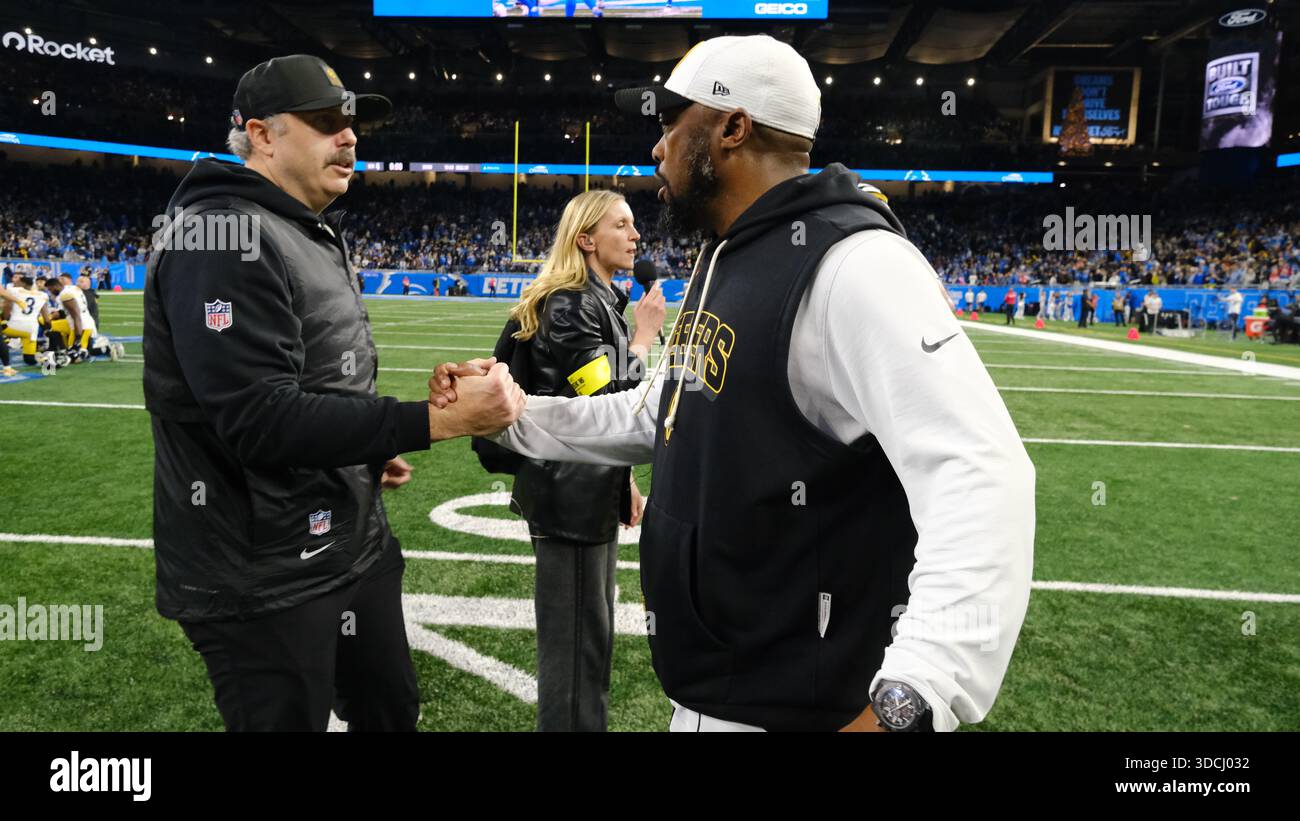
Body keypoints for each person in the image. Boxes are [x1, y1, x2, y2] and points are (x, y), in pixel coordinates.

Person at [477, 34, 1034, 733]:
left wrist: (913, 702)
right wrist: (513, 413)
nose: (657, 147)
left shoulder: (856, 264)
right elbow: (657, 412)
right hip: (716, 688)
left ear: (732, 128)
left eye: (670, 121)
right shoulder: (728, 253)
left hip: (801, 705)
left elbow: (983, 474)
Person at [142, 54, 525, 732]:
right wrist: (433, 423)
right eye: (325, 123)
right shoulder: (221, 234)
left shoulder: (300, 225)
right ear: (262, 134)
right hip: (261, 573)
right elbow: (259, 418)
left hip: (349, 542)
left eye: (351, 124)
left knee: (389, 711)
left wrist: (365, 448)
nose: (349, 137)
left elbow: (317, 380)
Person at [505, 189, 666, 731]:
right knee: (575, 656)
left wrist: (622, 480)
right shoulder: (572, 302)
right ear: (586, 239)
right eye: (622, 225)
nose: (635, 236)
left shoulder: (597, 299)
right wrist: (643, 340)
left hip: (586, 490)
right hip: (567, 502)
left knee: (589, 646)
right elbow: (601, 395)